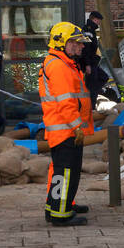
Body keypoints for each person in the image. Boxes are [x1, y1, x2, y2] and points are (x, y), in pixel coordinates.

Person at [40, 21, 94, 226]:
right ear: (63, 43)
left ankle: (58, 206)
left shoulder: (62, 64)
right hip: (66, 130)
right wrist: (76, 126)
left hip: (64, 129)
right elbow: (66, 102)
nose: (81, 47)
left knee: (62, 171)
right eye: (77, 43)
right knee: (65, 171)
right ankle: (60, 214)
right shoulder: (59, 67)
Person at [80, 10, 109, 105]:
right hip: (90, 63)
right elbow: (86, 49)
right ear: (94, 19)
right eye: (98, 21)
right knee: (92, 87)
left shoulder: (91, 30)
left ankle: (96, 92)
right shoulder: (88, 30)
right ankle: (91, 107)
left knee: (104, 77)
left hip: (93, 63)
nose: (99, 23)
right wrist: (87, 64)